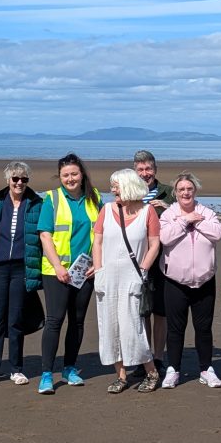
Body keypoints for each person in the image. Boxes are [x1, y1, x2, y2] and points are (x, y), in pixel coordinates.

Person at [35, 152, 102, 394]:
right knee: (54, 320)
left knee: (78, 321)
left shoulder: (95, 198)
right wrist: (58, 266)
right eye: (65, 175)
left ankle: (69, 368)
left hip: (85, 271)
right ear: (60, 177)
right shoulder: (51, 199)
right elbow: (45, 235)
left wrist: (98, 263)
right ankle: (46, 374)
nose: (70, 178)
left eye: (74, 174)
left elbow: (101, 236)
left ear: (82, 174)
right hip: (56, 272)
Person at [91, 168, 162, 393]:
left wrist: (143, 270)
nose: (113, 190)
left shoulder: (148, 211)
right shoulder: (106, 209)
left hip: (133, 276)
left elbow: (155, 244)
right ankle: (121, 376)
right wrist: (99, 270)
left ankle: (151, 372)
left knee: (133, 327)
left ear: (129, 186)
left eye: (117, 186)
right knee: (109, 326)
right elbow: (98, 243)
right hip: (108, 277)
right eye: (112, 186)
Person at [157, 171, 221, 388]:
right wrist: (185, 220)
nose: (185, 193)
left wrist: (197, 221)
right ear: (175, 193)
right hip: (175, 280)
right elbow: (165, 238)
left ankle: (206, 369)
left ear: (194, 190)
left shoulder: (206, 212)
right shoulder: (169, 215)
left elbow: (217, 233)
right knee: (176, 328)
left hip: (204, 280)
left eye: (189, 189)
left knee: (203, 328)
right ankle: (173, 370)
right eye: (181, 190)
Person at [0, 162, 43, 386]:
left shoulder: (37, 204)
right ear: (8, 180)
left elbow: (44, 238)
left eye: (24, 179)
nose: (19, 183)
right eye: (15, 179)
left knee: (16, 319)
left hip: (22, 268)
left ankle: (17, 368)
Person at [133, 149, 173, 374]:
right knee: (142, 310)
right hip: (137, 261)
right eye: (140, 169)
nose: (145, 173)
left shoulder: (168, 193)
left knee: (160, 311)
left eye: (148, 169)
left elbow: (182, 217)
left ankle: (158, 357)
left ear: (155, 170)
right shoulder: (130, 194)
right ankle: (144, 356)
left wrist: (167, 209)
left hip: (164, 261)